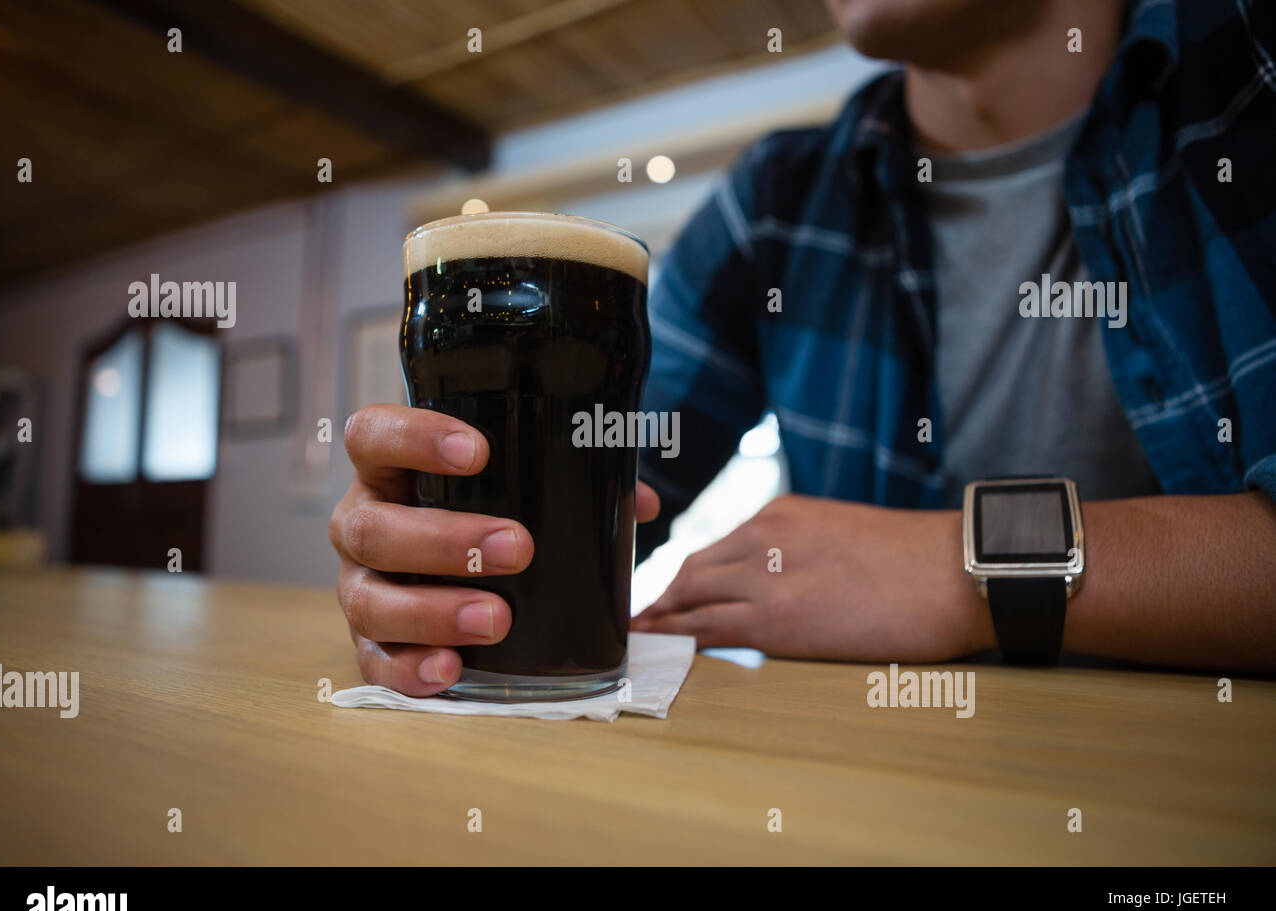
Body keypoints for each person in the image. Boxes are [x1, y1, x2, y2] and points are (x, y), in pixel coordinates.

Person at [329, 0, 1276, 696]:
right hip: (859, 787)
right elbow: (614, 486)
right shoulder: (781, 198)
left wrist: (961, 570)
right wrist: (431, 557)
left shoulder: (1249, 81)